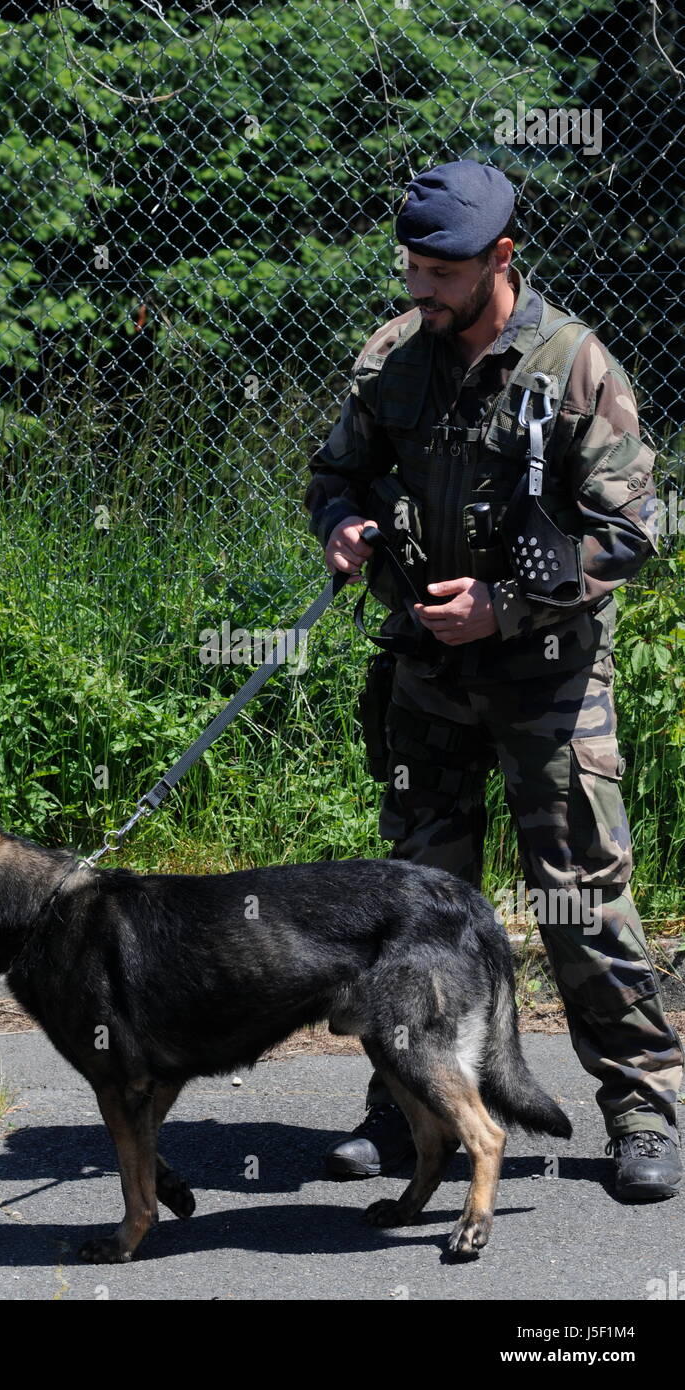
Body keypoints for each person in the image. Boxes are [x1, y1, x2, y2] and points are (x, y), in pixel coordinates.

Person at [304, 159, 682, 1200]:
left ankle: (640, 1105)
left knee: (576, 899)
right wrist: (341, 523)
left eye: (440, 270)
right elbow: (333, 471)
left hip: (546, 674)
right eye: (411, 266)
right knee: (420, 902)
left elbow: (624, 535)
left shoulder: (573, 368)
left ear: (499, 259)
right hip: (426, 672)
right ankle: (413, 1104)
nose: (419, 288)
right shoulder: (391, 359)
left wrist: (506, 608)